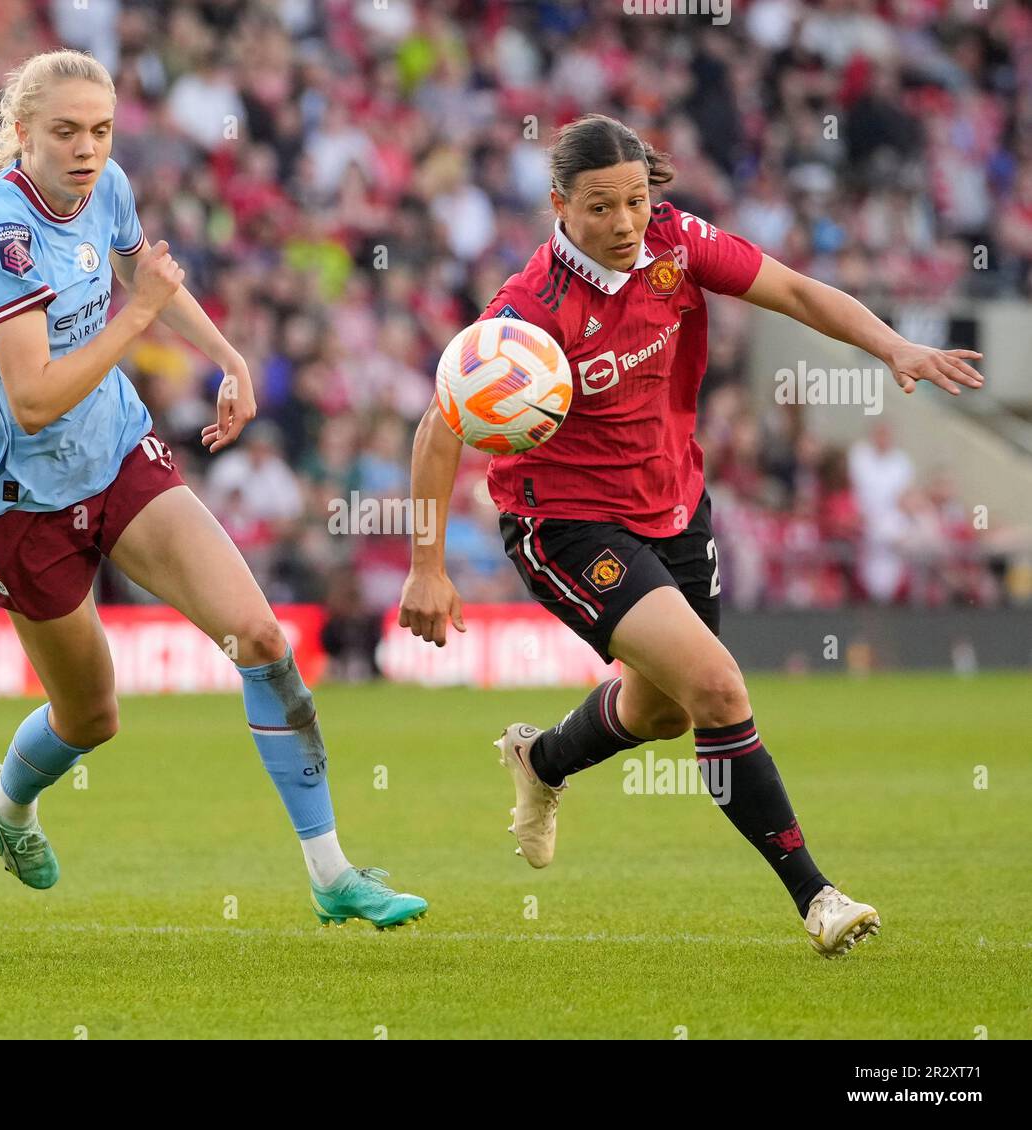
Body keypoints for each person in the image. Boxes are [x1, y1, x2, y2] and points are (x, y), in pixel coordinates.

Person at [399, 114, 983, 956]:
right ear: (559, 206)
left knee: (665, 713)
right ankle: (815, 896)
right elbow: (438, 427)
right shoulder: (528, 312)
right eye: (601, 207)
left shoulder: (678, 243)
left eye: (636, 199)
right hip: (562, 522)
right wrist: (427, 564)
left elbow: (796, 292)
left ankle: (542, 761)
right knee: (718, 688)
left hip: (673, 503)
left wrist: (892, 346)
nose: (626, 223)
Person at [0, 49, 425, 929]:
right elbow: (38, 398)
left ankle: (333, 874)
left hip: (122, 455)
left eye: (100, 130)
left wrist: (228, 357)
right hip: (23, 501)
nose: (88, 149)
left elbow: (142, 277)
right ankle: (9, 802)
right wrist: (138, 317)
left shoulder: (108, 186)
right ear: (20, 135)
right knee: (90, 718)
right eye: (65, 132)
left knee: (260, 636)